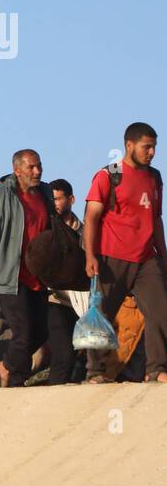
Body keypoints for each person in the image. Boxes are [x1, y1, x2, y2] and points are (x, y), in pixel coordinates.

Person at [84, 122, 167, 384]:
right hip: (111, 257)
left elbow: (155, 219)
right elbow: (91, 217)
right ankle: (95, 372)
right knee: (102, 314)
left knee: (160, 311)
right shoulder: (109, 175)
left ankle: (156, 370)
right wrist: (90, 255)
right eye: (147, 147)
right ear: (129, 145)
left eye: (154, 147)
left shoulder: (154, 177)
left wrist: (163, 255)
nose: (152, 152)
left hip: (146, 259)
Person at [0, 151, 59, 387]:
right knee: (23, 332)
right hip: (10, 277)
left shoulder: (45, 194)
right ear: (17, 170)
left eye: (39, 166)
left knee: (40, 332)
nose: (37, 171)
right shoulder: (1, 197)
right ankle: (15, 380)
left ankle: (5, 367)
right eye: (31, 167)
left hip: (38, 276)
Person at [45, 180, 87, 384]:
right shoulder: (46, 232)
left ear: (71, 200)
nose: (54, 204)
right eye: (51, 199)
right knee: (63, 356)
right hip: (55, 302)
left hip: (84, 304)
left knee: (85, 356)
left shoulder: (85, 233)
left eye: (58, 199)